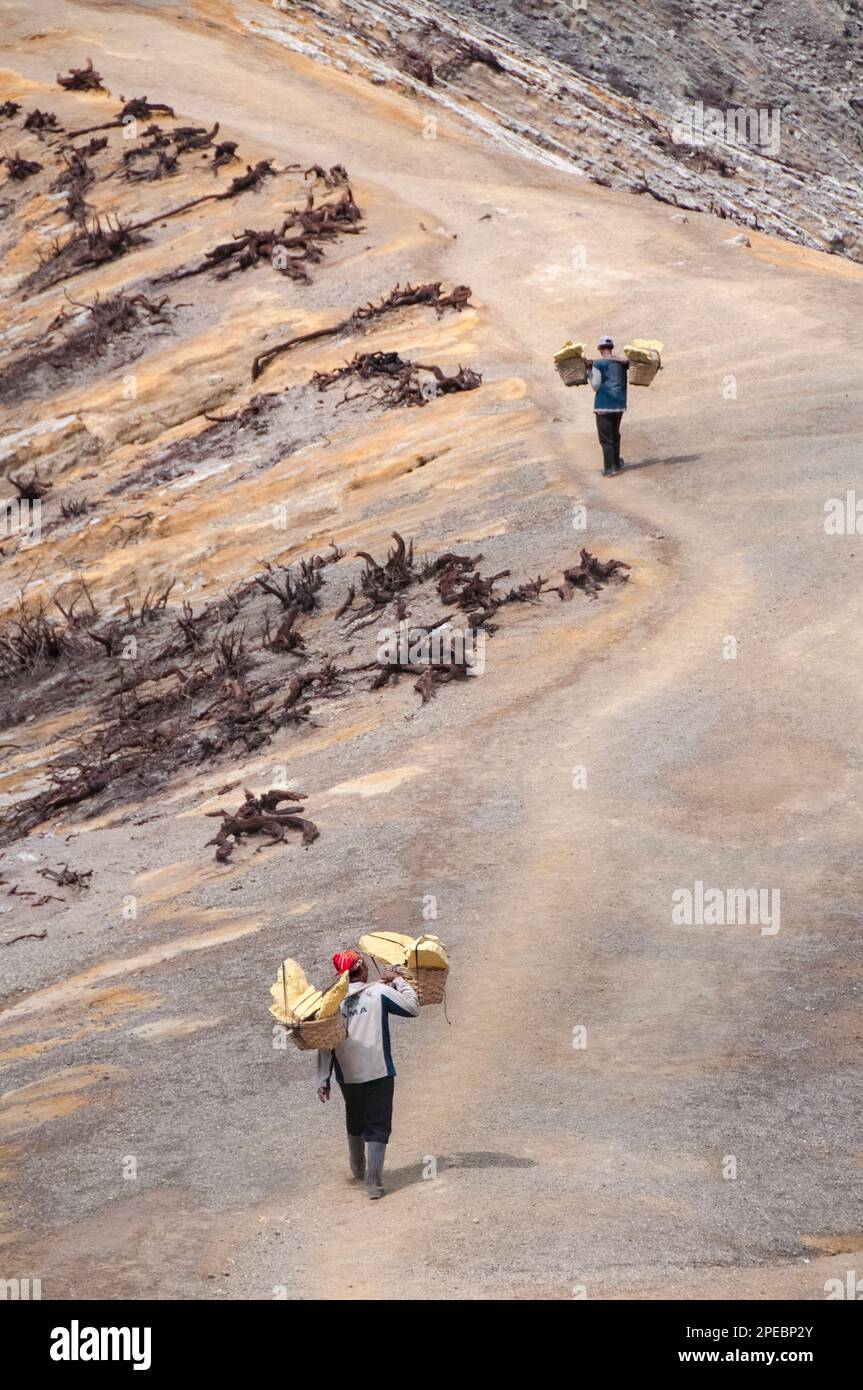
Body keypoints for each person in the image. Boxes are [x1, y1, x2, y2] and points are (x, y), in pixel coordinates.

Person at [317, 948, 419, 1199]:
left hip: (347, 1075)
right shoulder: (378, 992)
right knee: (378, 1124)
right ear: (362, 968)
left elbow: (324, 1043)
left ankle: (357, 1170)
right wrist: (398, 980)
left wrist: (323, 1078)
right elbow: (413, 1007)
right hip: (379, 1070)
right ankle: (373, 1183)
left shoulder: (331, 1003)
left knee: (355, 1119)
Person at [587, 335, 629, 476]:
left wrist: (589, 372)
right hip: (619, 405)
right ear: (611, 348)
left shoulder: (598, 364)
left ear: (600, 349)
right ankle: (616, 464)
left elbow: (595, 385)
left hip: (603, 405)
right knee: (615, 434)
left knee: (606, 439)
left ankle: (608, 469)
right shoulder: (622, 363)